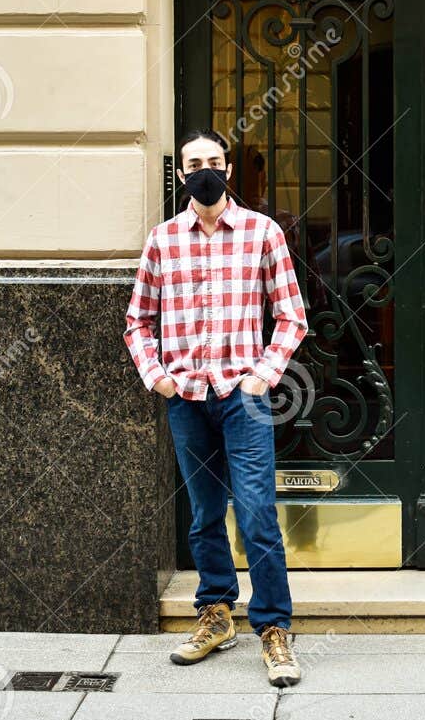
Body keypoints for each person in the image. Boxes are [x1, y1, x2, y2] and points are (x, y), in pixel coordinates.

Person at [123, 128, 309, 686]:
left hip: (243, 401)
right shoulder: (163, 240)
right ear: (181, 174)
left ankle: (274, 628)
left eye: (212, 161)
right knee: (205, 516)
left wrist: (263, 375)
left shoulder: (262, 233)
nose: (203, 170)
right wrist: (158, 379)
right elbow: (138, 320)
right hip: (187, 399)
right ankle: (216, 613)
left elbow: (292, 316)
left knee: (255, 514)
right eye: (192, 163)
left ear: (228, 170)